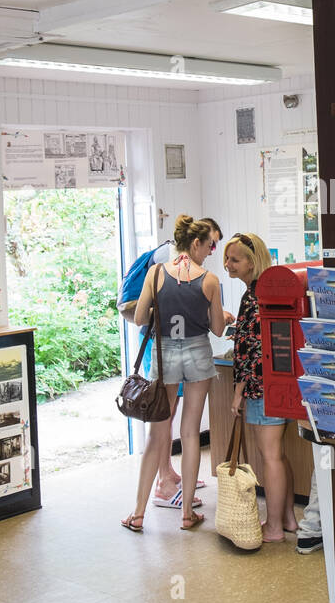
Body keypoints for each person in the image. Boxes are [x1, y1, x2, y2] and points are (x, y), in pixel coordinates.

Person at [122, 215, 228, 532]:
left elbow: (140, 318)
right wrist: (217, 314)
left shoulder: (155, 274)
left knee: (157, 434)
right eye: (209, 245)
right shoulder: (209, 280)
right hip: (196, 352)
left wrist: (168, 309)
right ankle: (186, 514)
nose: (210, 252)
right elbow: (219, 329)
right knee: (191, 432)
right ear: (195, 243)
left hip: (165, 352)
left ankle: (138, 514)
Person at [223, 232, 295, 542]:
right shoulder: (267, 291)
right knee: (277, 454)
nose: (228, 264)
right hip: (278, 384)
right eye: (227, 258)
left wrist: (238, 391)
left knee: (270, 457)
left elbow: (251, 349)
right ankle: (289, 518)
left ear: (252, 263)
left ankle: (275, 527)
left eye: (234, 259)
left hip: (259, 388)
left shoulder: (253, 296)